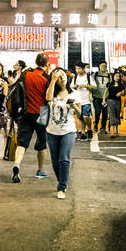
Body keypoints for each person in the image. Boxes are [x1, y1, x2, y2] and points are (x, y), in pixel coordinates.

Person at [10, 52, 52, 183]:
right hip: (42, 112)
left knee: (22, 143)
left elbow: (17, 88)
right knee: (42, 141)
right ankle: (40, 170)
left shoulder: (26, 73)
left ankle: (17, 164)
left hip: (25, 111)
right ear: (47, 63)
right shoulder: (46, 77)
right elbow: (49, 97)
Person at [45, 68, 78, 199]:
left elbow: (81, 113)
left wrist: (74, 106)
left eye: (63, 75)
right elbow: (47, 98)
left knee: (64, 158)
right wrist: (53, 80)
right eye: (59, 76)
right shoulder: (52, 92)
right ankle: (62, 181)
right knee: (55, 161)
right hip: (52, 131)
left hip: (69, 130)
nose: (62, 78)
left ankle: (62, 188)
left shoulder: (74, 93)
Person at [91, 61, 110, 135]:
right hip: (97, 96)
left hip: (106, 97)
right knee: (98, 112)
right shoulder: (95, 74)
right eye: (102, 66)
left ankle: (103, 128)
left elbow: (110, 85)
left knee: (105, 113)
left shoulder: (109, 75)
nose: (104, 67)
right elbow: (91, 84)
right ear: (99, 66)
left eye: (105, 66)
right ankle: (96, 124)